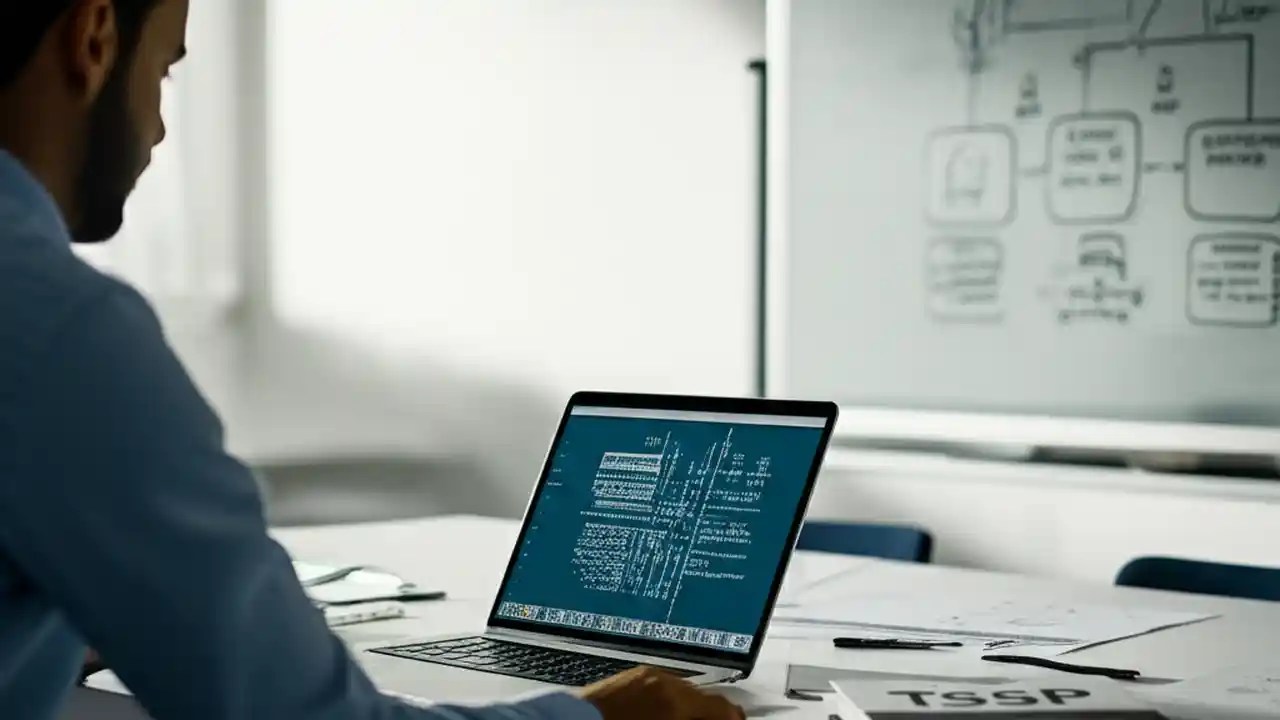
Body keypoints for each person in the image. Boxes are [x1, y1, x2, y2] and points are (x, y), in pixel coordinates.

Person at [0, 2, 746, 719]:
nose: (160, 129)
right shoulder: (61, 328)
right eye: (163, 73)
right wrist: (594, 719)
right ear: (94, 37)